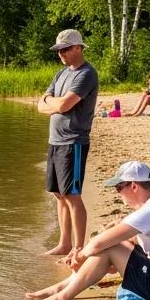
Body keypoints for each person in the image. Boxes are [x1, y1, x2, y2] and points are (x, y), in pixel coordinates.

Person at [26, 161, 150, 300]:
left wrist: (79, 257)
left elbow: (99, 243)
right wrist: (106, 262)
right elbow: (126, 241)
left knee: (108, 248)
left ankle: (63, 298)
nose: (117, 193)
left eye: (119, 187)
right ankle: (60, 288)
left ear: (134, 186)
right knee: (113, 247)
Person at [37, 29, 99, 257]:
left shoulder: (87, 74)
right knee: (58, 194)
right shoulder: (61, 74)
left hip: (74, 141)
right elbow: (40, 105)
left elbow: (63, 105)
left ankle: (78, 247)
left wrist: (52, 102)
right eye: (58, 50)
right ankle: (64, 243)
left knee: (72, 194)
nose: (61, 53)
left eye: (65, 49)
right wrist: (54, 102)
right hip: (55, 140)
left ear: (78, 48)